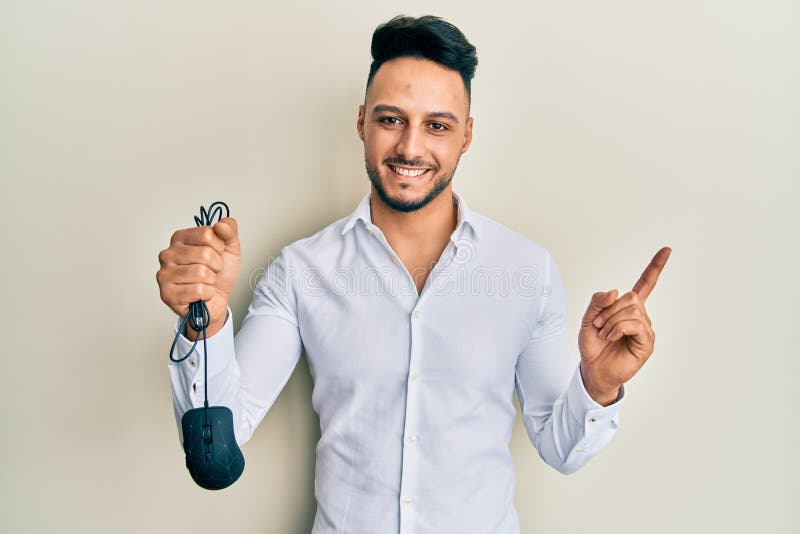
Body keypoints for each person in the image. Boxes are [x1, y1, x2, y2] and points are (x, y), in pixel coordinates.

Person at [156, 14, 671, 534]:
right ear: (361, 122)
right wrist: (207, 321)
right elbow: (219, 443)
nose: (409, 148)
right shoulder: (300, 271)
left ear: (466, 135)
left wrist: (598, 386)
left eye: (437, 125)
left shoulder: (526, 271)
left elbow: (562, 451)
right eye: (390, 119)